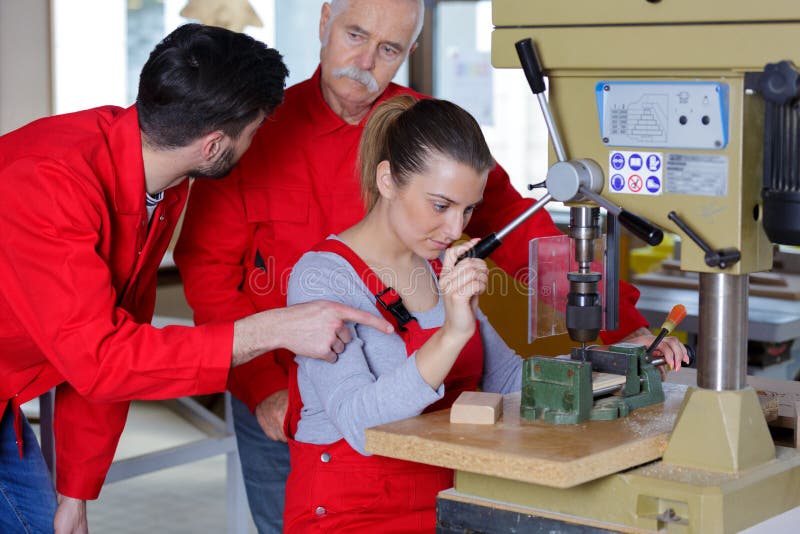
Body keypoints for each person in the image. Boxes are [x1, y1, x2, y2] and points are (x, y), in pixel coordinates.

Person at [173, 1, 689, 531]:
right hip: (287, 401)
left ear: (410, 51)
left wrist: (622, 330)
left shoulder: (429, 141)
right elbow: (209, 271)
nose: (365, 60)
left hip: (419, 432)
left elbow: (522, 233)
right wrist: (263, 386)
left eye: (389, 48)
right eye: (355, 34)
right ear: (324, 20)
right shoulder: (257, 130)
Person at [0, 23, 393, 534]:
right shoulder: (45, 184)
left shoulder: (160, 180)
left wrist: (74, 491)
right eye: (254, 131)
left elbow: (118, 337)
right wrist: (274, 328)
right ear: (212, 147)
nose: (258, 143)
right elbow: (104, 360)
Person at [283, 95, 686, 532]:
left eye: (469, 209)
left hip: (452, 499)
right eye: (441, 205)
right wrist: (453, 333)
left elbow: (509, 382)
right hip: (350, 514)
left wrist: (619, 363)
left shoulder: (441, 265)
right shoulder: (321, 277)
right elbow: (362, 427)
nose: (457, 230)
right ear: (387, 180)